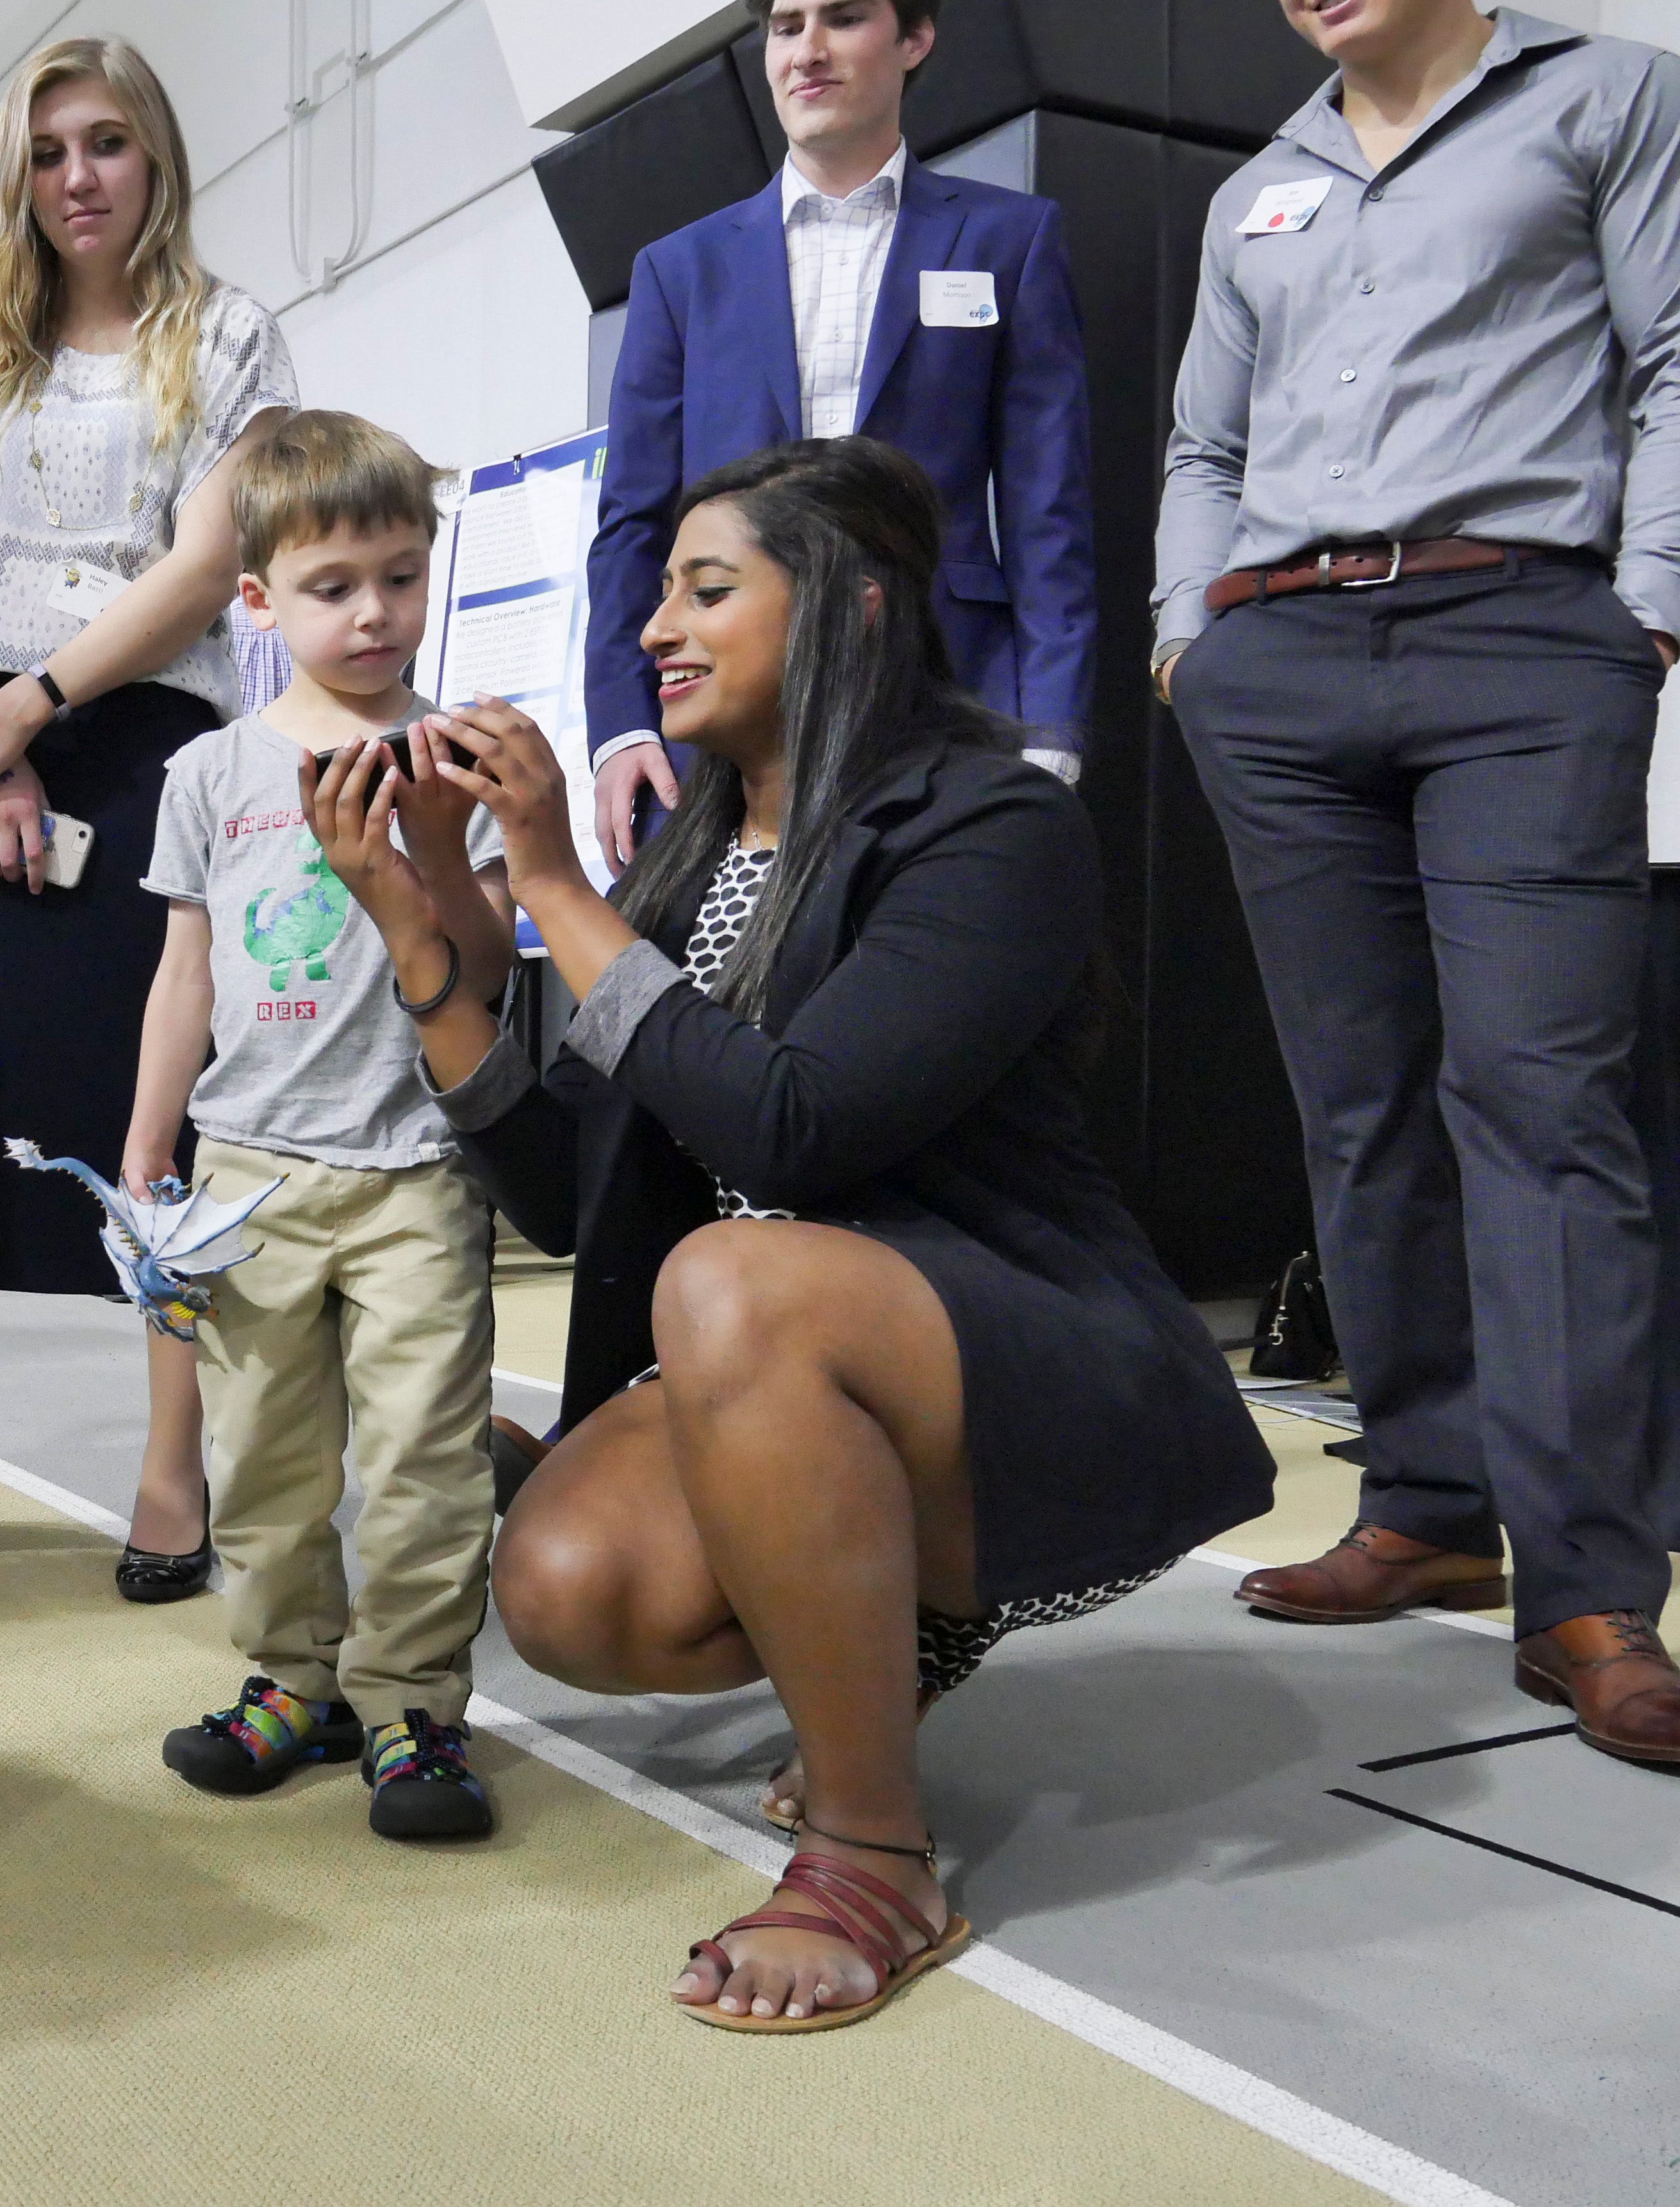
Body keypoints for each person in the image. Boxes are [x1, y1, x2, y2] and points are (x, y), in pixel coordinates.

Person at [339, 438, 1269, 2030]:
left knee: (730, 1275)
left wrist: (553, 882)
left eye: (707, 589)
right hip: (763, 1341)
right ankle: (879, 1612)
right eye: (656, 595)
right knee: (569, 1588)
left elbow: (794, 1127)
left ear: (845, 601)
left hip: (1012, 1341)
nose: (654, 629)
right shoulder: (691, 852)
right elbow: (570, 1196)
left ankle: (871, 1850)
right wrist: (423, 924)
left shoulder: (986, 828)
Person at [1153, 1, 1680, 1766]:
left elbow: (1678, 348)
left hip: (1523, 630)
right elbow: (1203, 453)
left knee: (1541, 1100)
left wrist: (1648, 611)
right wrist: (1186, 643)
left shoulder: (1609, 95)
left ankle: (1593, 1588)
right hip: (1282, 659)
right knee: (1360, 1104)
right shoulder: (1262, 193)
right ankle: (1437, 1509)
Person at [0, 35, 297, 1600]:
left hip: (143, 748)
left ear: (153, 159)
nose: (75, 177)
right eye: (44, 152)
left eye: (103, 144)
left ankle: (170, 1465)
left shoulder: (228, 338)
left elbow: (200, 565)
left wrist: (34, 712)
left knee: (144, 1114)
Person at [125, 413, 515, 1838]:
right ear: (259, 602)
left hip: (417, 1168)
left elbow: (480, 969)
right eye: (334, 586)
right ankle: (293, 1678)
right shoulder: (212, 777)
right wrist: (146, 1151)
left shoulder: (461, 758)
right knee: (263, 1453)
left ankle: (416, 1706)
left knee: (424, 1450)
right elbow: (185, 973)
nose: (374, 614)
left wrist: (429, 853)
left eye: (402, 578)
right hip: (246, 1172)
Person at [584, 0, 1093, 873]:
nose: (808, 51)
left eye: (844, 18)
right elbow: (633, 519)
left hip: (945, 686)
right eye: (786, 26)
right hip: (727, 699)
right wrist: (621, 723)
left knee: (929, 977)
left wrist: (1049, 728)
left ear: (915, 39)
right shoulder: (681, 271)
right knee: (733, 986)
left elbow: (1051, 511)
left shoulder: (1009, 240)